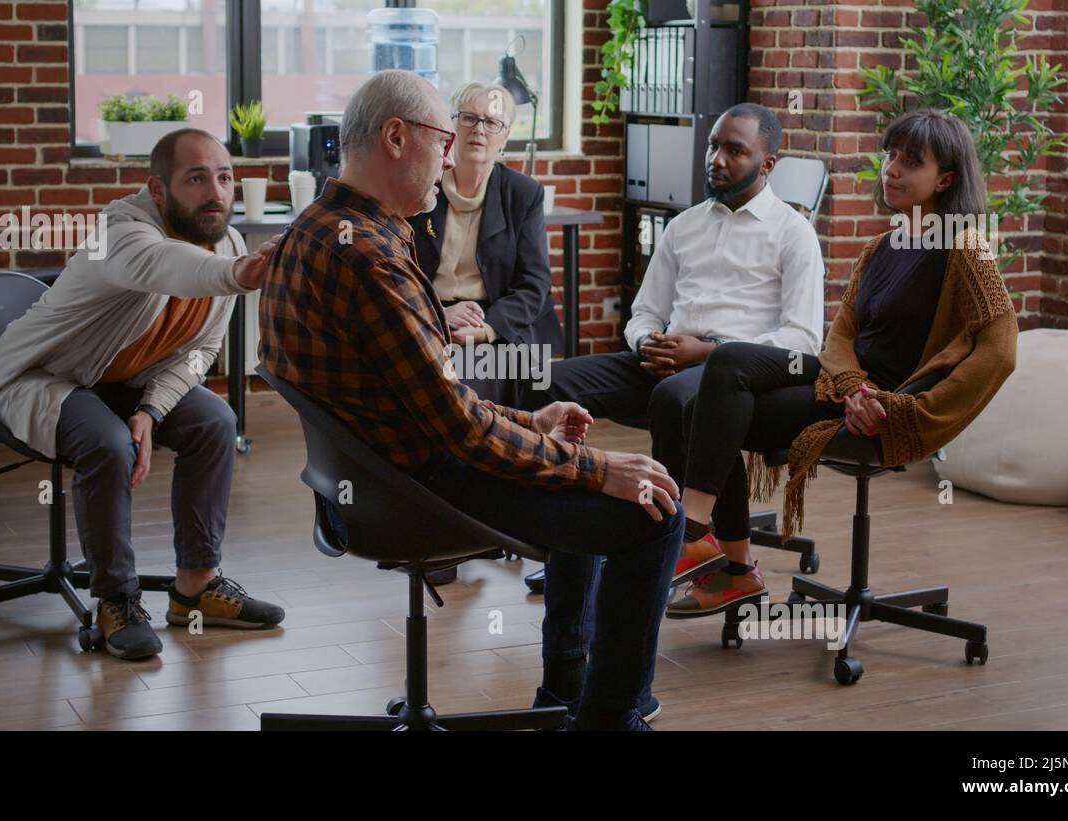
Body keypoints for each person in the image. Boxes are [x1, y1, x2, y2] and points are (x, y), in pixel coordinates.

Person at [259, 69, 683, 730]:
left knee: (577, 465)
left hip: (364, 480)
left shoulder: (312, 227)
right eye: (444, 139)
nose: (455, 156)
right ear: (396, 138)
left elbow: (430, 396)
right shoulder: (370, 258)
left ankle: (568, 690)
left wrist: (530, 420)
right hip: (412, 488)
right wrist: (600, 468)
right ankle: (606, 718)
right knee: (651, 506)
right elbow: (455, 427)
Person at [668, 108, 1018, 618]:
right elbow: (840, 337)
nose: (891, 169)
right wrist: (852, 386)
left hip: (888, 409)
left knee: (708, 407)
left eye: (910, 162)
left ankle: (712, 550)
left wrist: (912, 411)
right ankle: (707, 541)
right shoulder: (880, 247)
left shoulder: (967, 248)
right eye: (890, 155)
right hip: (844, 387)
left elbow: (1001, 349)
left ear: (944, 179)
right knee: (727, 364)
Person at [0, 128, 286, 660]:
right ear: (159, 189)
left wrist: (149, 410)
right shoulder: (120, 232)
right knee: (107, 443)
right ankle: (116, 599)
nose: (215, 192)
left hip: (125, 383)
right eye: (196, 179)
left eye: (224, 176)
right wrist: (237, 273)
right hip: (43, 377)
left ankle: (196, 588)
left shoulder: (229, 244)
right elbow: (163, 266)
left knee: (215, 421)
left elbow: (196, 355)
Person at [519, 103, 825, 600]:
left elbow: (802, 339)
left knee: (684, 397)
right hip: (664, 360)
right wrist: (649, 342)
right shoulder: (684, 225)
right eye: (713, 146)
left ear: (767, 165)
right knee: (549, 384)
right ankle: (567, 534)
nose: (716, 159)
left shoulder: (793, 234)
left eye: (734, 150)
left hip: (732, 373)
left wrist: (709, 352)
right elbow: (643, 312)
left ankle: (675, 535)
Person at [407, 80, 563, 406]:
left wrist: (485, 329)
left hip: (496, 326)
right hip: (430, 316)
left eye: (492, 122)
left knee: (460, 384)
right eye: (469, 118)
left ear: (504, 137)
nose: (479, 129)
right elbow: (397, 266)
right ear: (450, 126)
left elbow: (534, 284)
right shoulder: (421, 186)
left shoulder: (523, 195)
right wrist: (437, 314)